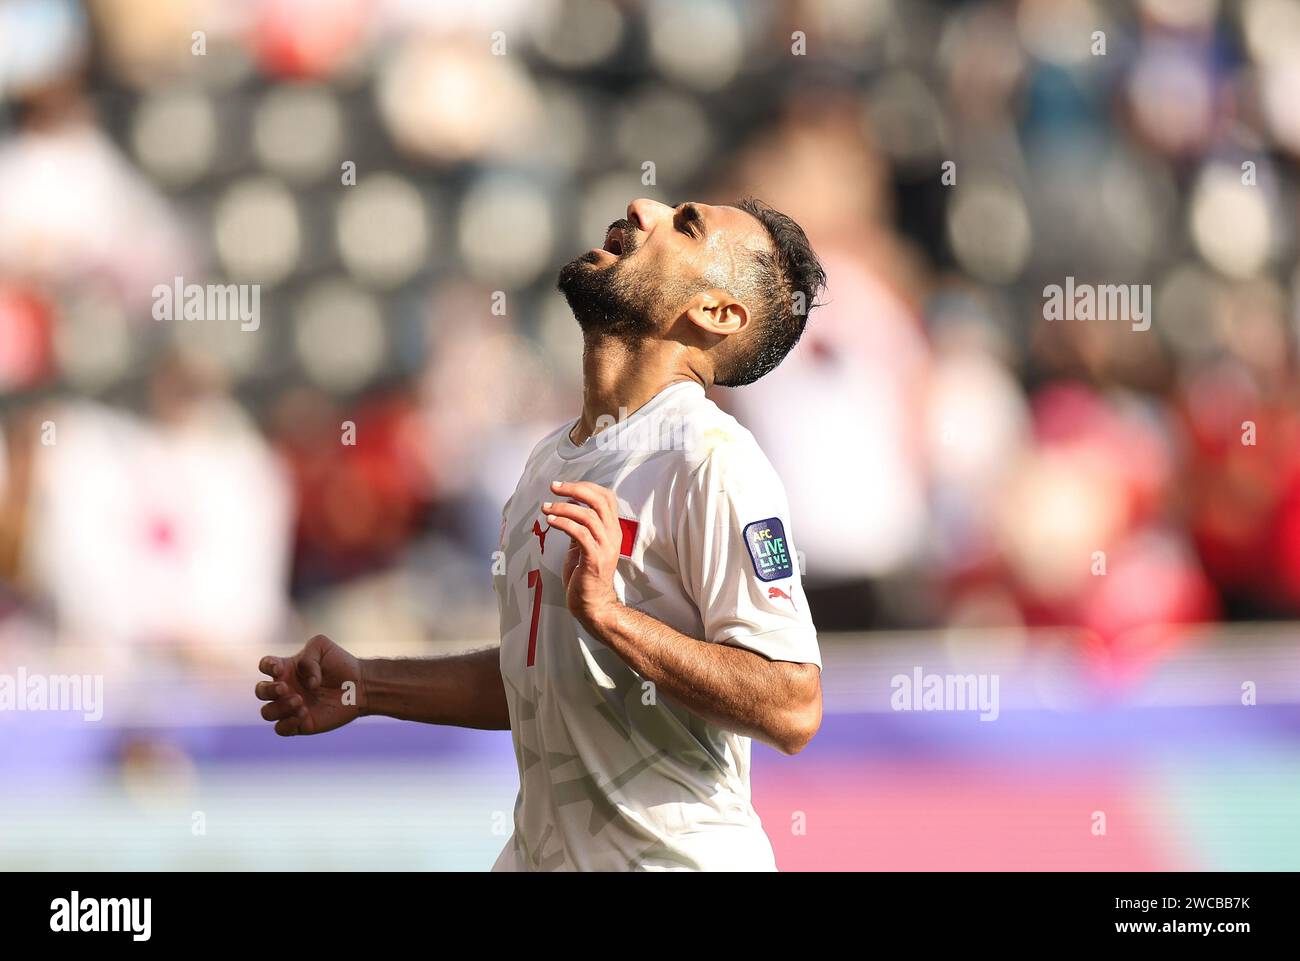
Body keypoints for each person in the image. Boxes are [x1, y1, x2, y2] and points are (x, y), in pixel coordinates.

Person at [256, 198, 827, 871]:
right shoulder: (548, 460)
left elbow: (792, 704)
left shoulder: (710, 459)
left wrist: (613, 618)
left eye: (686, 225)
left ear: (717, 312)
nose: (641, 207)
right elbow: (543, 677)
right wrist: (369, 686)